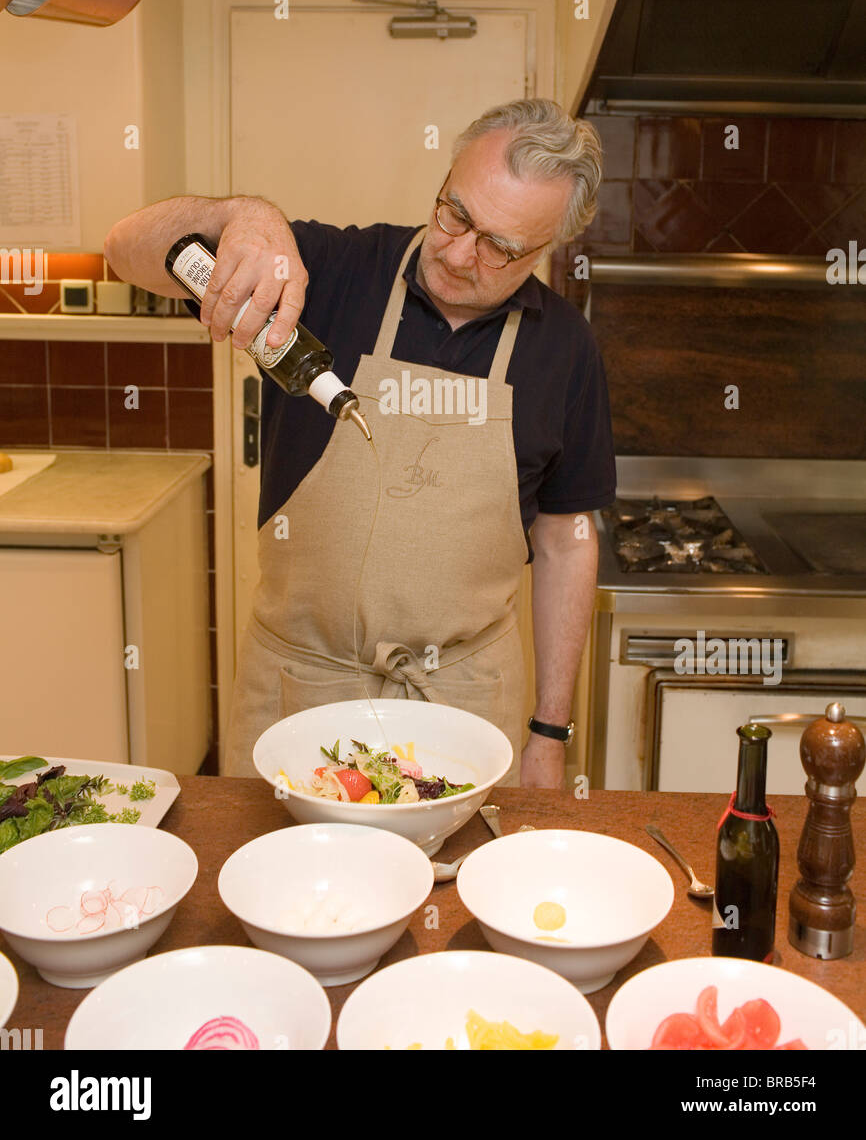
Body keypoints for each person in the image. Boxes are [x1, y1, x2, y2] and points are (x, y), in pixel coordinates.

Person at [104, 98, 616, 788]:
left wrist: (550, 733)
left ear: (547, 246)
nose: (461, 253)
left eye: (498, 246)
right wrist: (241, 216)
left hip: (460, 713)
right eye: (455, 214)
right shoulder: (327, 270)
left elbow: (564, 540)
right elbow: (123, 249)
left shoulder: (566, 348)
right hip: (299, 697)